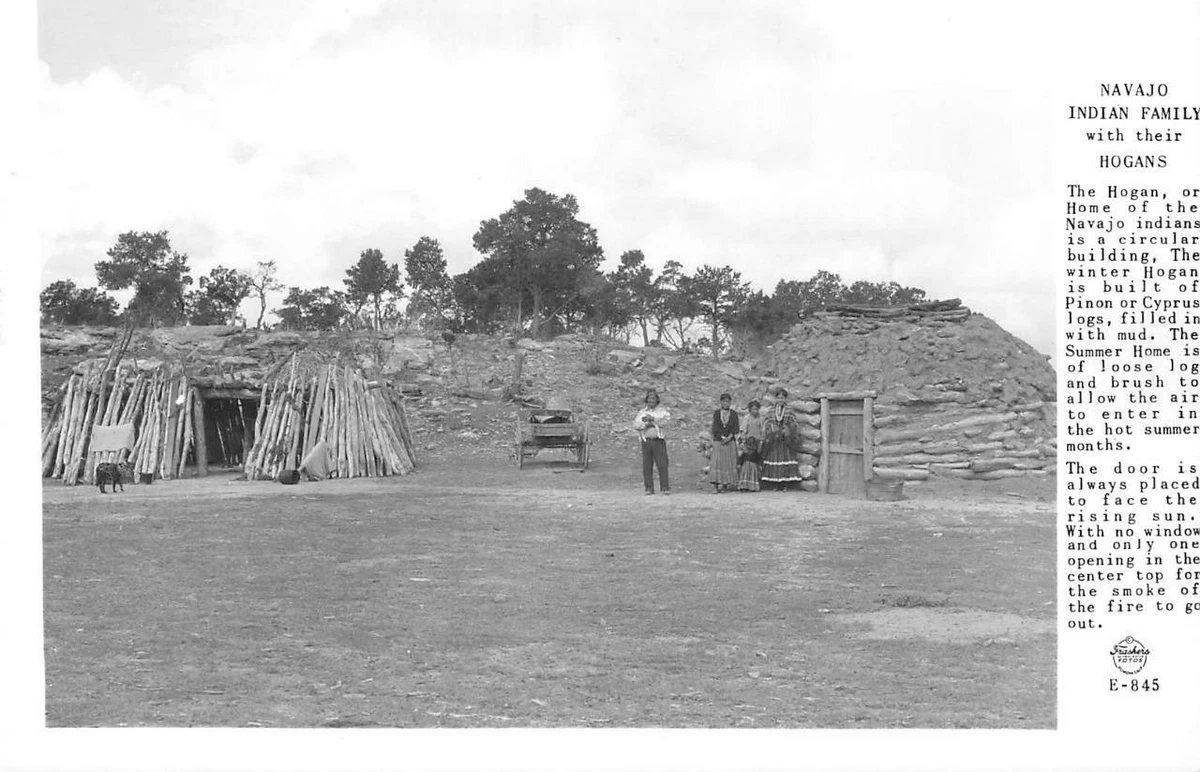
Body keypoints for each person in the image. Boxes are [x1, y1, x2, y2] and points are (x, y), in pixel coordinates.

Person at [760, 388, 802, 490]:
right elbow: (766, 423)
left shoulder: (789, 411)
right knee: (774, 460)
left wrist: (787, 430)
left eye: (782, 398)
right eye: (778, 398)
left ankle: (784, 484)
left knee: (785, 460)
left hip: (785, 441)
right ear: (775, 399)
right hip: (774, 441)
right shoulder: (771, 410)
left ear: (785, 399)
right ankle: (775, 484)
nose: (780, 400)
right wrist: (771, 431)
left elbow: (794, 423)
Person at [633, 390, 671, 495]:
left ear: (657, 400)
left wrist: (653, 420)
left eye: (653, 399)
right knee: (647, 465)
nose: (651, 401)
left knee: (662, 464)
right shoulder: (642, 412)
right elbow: (636, 425)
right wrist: (645, 425)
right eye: (649, 399)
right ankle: (649, 488)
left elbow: (665, 422)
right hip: (646, 441)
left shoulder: (662, 411)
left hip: (658, 441)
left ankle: (665, 487)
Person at [708, 393, 740, 493]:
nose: (726, 403)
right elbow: (715, 427)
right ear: (721, 402)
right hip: (719, 441)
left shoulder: (734, 414)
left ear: (730, 403)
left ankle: (724, 485)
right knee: (716, 463)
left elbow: (736, 428)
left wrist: (729, 437)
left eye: (728, 401)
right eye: (724, 401)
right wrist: (722, 437)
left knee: (727, 463)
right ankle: (715, 485)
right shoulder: (717, 413)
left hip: (730, 441)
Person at [737, 399, 763, 492]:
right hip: (749, 442)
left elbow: (762, 430)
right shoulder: (747, 418)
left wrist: (761, 441)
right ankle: (745, 483)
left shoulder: (761, 418)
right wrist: (743, 442)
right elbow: (743, 430)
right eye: (753, 409)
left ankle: (755, 483)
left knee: (756, 462)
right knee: (747, 462)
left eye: (756, 409)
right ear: (750, 409)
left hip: (758, 441)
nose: (755, 411)